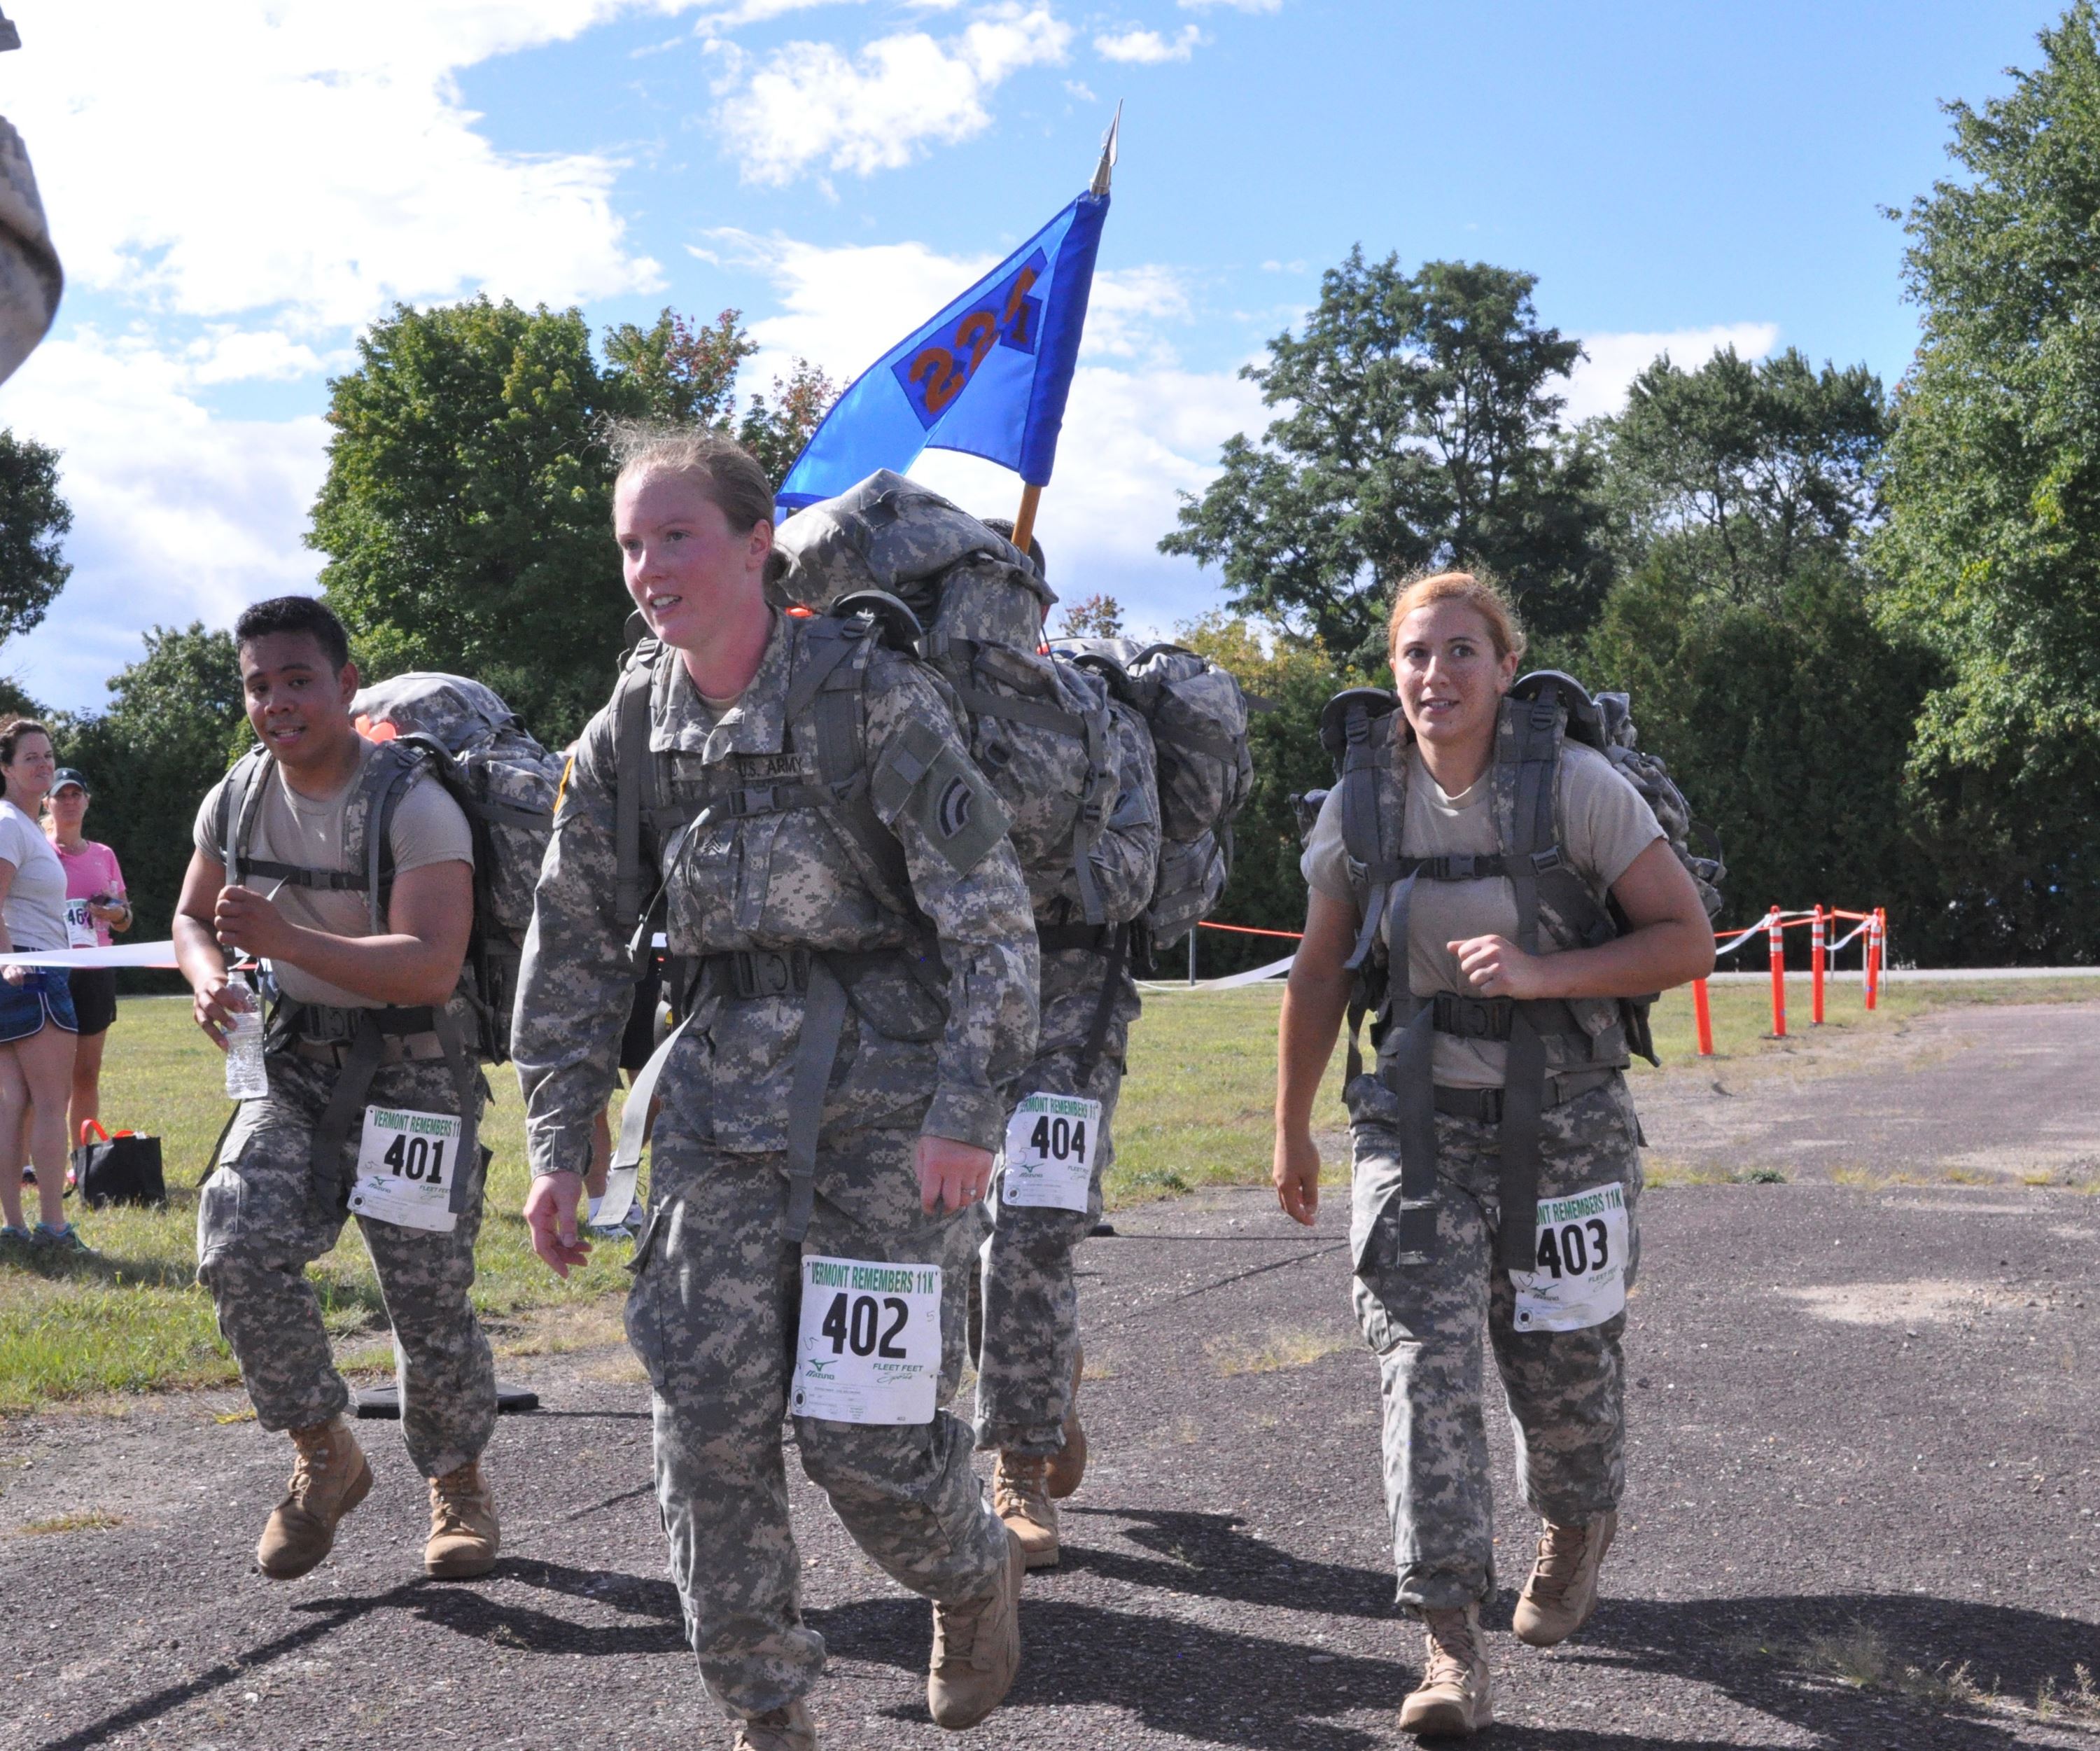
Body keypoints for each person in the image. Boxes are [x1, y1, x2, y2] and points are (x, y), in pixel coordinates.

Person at [514, 426, 1040, 1751]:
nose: (649, 566)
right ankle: (765, 1703)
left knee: (860, 1436)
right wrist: (556, 1136)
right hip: (712, 1100)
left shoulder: (871, 696)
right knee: (704, 1423)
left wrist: (968, 1115)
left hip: (887, 1099)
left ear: (758, 543)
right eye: (632, 542)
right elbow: (572, 936)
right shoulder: (632, 721)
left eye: (677, 534)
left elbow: (989, 919)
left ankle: (971, 1570)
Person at [1273, 571, 1714, 1739]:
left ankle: (1575, 1519)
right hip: (1413, 1128)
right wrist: (1290, 1126)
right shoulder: (1362, 801)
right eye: (1416, 654)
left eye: (1462, 652)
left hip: (1566, 1122)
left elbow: (1685, 938)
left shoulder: (1576, 786)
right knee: (1424, 1368)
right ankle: (1447, 1647)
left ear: (1506, 666)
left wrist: (1542, 975)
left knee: (1564, 1369)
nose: (1435, 677)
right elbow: (1319, 970)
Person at [174, 596, 501, 1584]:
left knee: (425, 1295)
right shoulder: (235, 798)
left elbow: (429, 966)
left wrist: (283, 942)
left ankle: (458, 1485)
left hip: (413, 1074)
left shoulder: (414, 804)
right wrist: (208, 976)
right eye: (258, 686)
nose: (277, 702)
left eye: (298, 679)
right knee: (234, 1242)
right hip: (294, 1061)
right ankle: (325, 1451)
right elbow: (192, 915)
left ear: (347, 684)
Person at [967, 522, 1161, 1570]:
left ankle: (1021, 1462)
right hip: (940, 1009)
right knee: (952, 1243)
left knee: (1032, 1227)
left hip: (1072, 998)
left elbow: (1134, 872)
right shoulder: (899, 715)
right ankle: (1039, 1370)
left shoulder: (1101, 724)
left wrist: (1012, 871)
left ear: (1036, 608)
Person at [0, 718, 83, 1254]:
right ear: (5, 768)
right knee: (53, 1103)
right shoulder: (10, 823)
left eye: (48, 755)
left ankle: (14, 1228)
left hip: (22, 969)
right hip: (31, 972)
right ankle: (53, 1226)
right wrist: (9, 960)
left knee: (13, 1105)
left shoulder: (23, 826)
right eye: (30, 756)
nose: (44, 764)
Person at [46, 767, 132, 1147]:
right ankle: (31, 1163)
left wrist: (115, 913)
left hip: (96, 970)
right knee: (46, 1075)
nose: (68, 802)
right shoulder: (37, 850)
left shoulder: (104, 854)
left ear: (86, 802)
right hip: (51, 970)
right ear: (47, 803)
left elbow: (126, 919)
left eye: (75, 795)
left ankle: (83, 1160)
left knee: (87, 1073)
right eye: (60, 796)